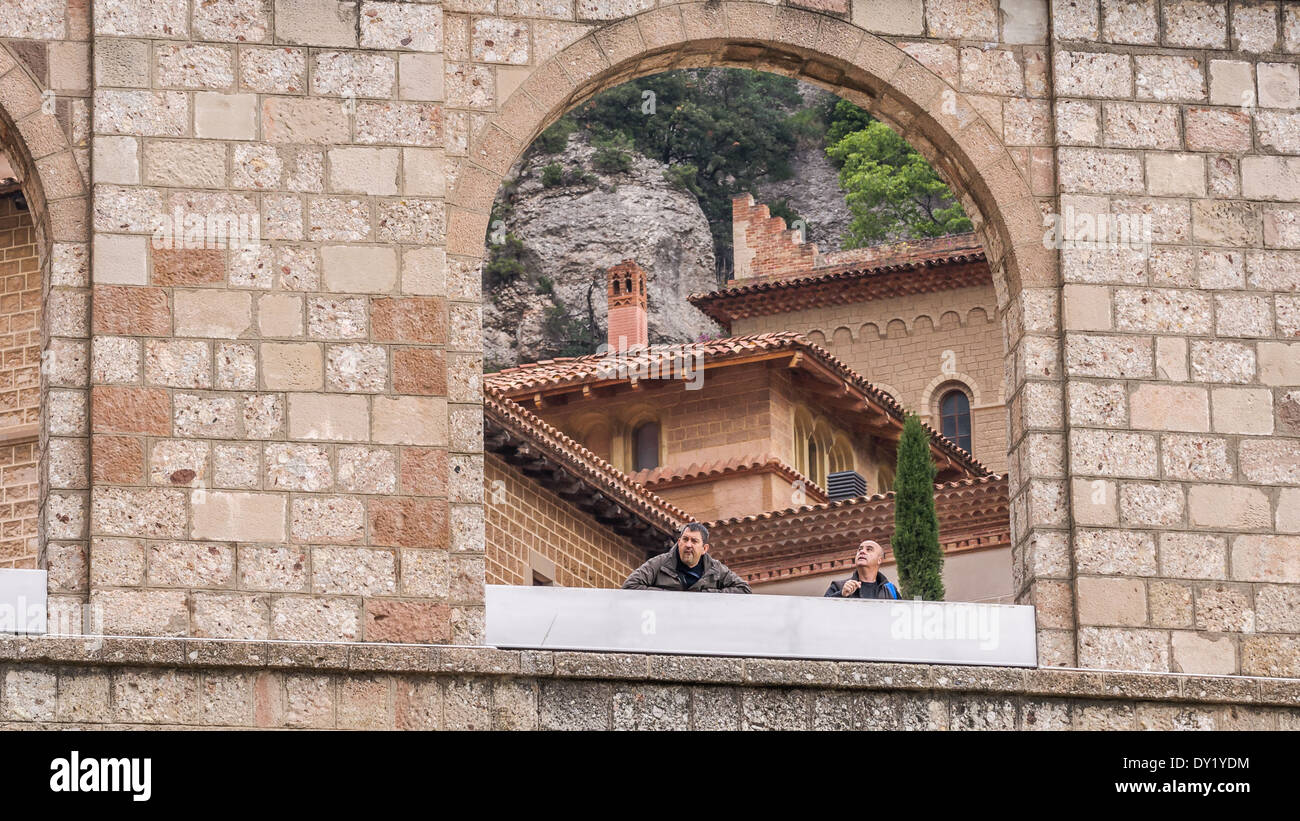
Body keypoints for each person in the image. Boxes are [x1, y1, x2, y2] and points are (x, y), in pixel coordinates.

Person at [622, 523, 751, 593]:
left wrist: (707, 596)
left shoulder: (715, 569)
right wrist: (670, 595)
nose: (688, 545)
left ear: (704, 549)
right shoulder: (659, 564)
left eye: (694, 541)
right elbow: (630, 586)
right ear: (679, 542)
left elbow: (744, 589)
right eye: (685, 539)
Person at [823, 539, 901, 600]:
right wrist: (841, 595)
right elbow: (821, 611)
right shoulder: (838, 586)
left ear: (879, 560)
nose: (862, 551)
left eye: (869, 549)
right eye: (860, 549)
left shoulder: (890, 591)